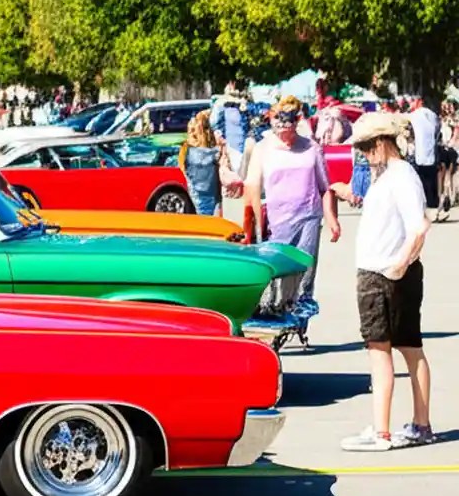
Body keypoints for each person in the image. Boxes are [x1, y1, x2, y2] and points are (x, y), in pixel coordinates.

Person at [327, 112, 433, 451]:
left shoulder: (400, 176)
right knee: (408, 348)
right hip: (388, 270)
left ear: (383, 143)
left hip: (382, 273)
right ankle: (420, 424)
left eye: (367, 147)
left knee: (380, 350)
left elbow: (419, 226)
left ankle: (382, 431)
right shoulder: (391, 176)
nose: (363, 154)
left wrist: (398, 266)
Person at [242, 95, 339, 305]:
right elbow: (252, 188)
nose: (286, 136)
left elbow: (325, 188)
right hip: (276, 223)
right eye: (280, 130)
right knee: (277, 275)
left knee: (304, 273)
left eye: (290, 129)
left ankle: (300, 318)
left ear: (297, 122)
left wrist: (332, 219)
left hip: (308, 220)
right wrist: (253, 227)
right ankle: (277, 314)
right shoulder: (263, 149)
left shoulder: (311, 148)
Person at [178, 110, 224, 216]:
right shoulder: (214, 153)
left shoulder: (186, 151)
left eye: (193, 131)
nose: (192, 134)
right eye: (190, 131)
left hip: (197, 202)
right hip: (209, 204)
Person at [408, 97, 441, 219]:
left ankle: (425, 210)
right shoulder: (432, 115)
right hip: (431, 154)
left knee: (422, 184)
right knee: (432, 183)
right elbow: (437, 128)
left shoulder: (414, 116)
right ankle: (434, 209)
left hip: (420, 155)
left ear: (419, 102)